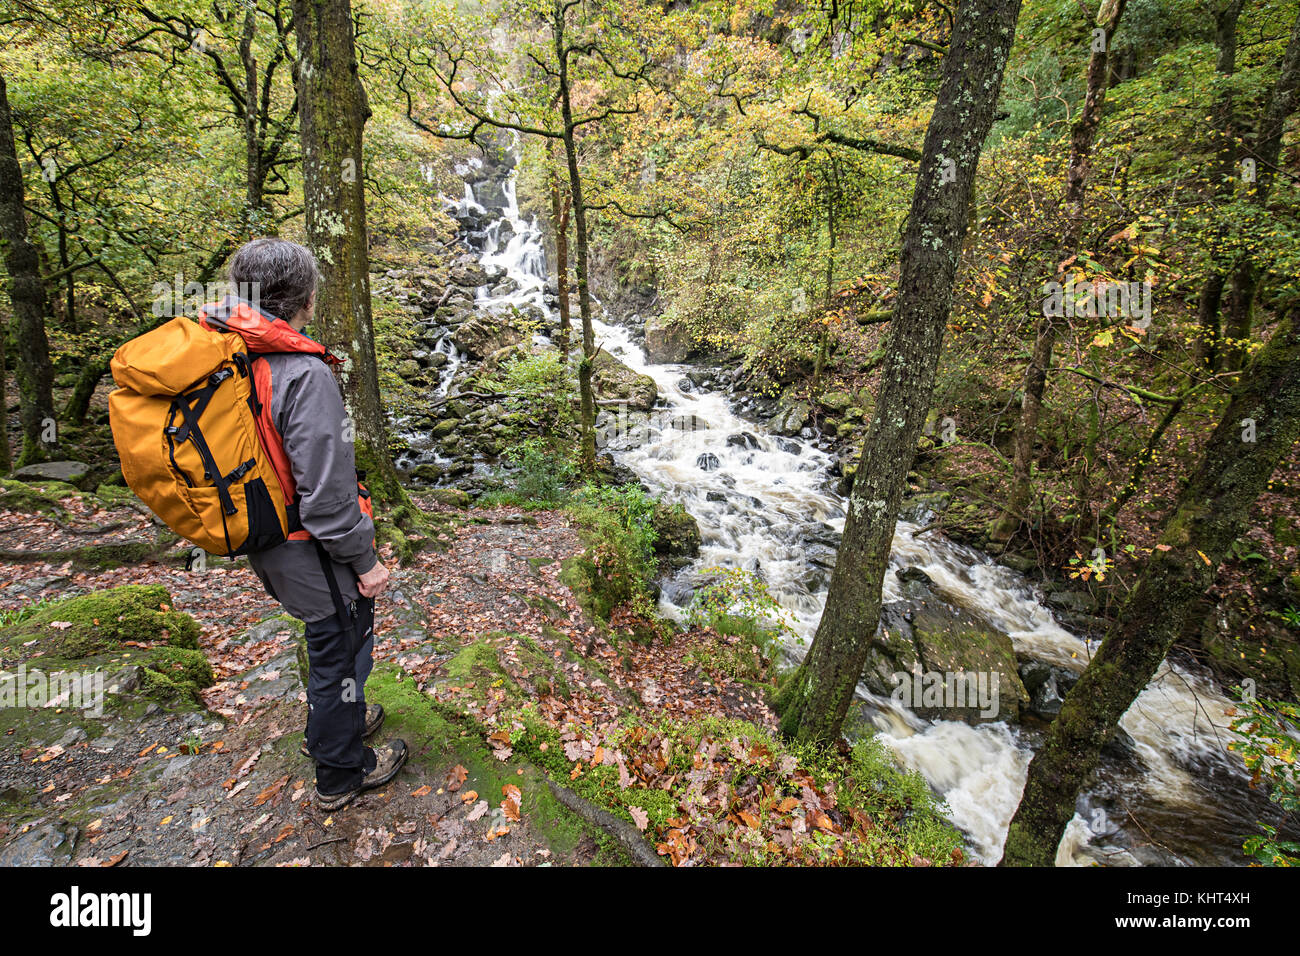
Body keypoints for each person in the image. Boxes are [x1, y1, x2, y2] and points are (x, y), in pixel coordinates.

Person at [212, 237, 407, 810]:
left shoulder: (232, 358)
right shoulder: (301, 371)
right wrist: (365, 561)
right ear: (306, 296)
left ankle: (336, 724)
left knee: (329, 645)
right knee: (339, 645)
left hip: (265, 535)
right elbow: (325, 498)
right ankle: (341, 772)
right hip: (308, 544)